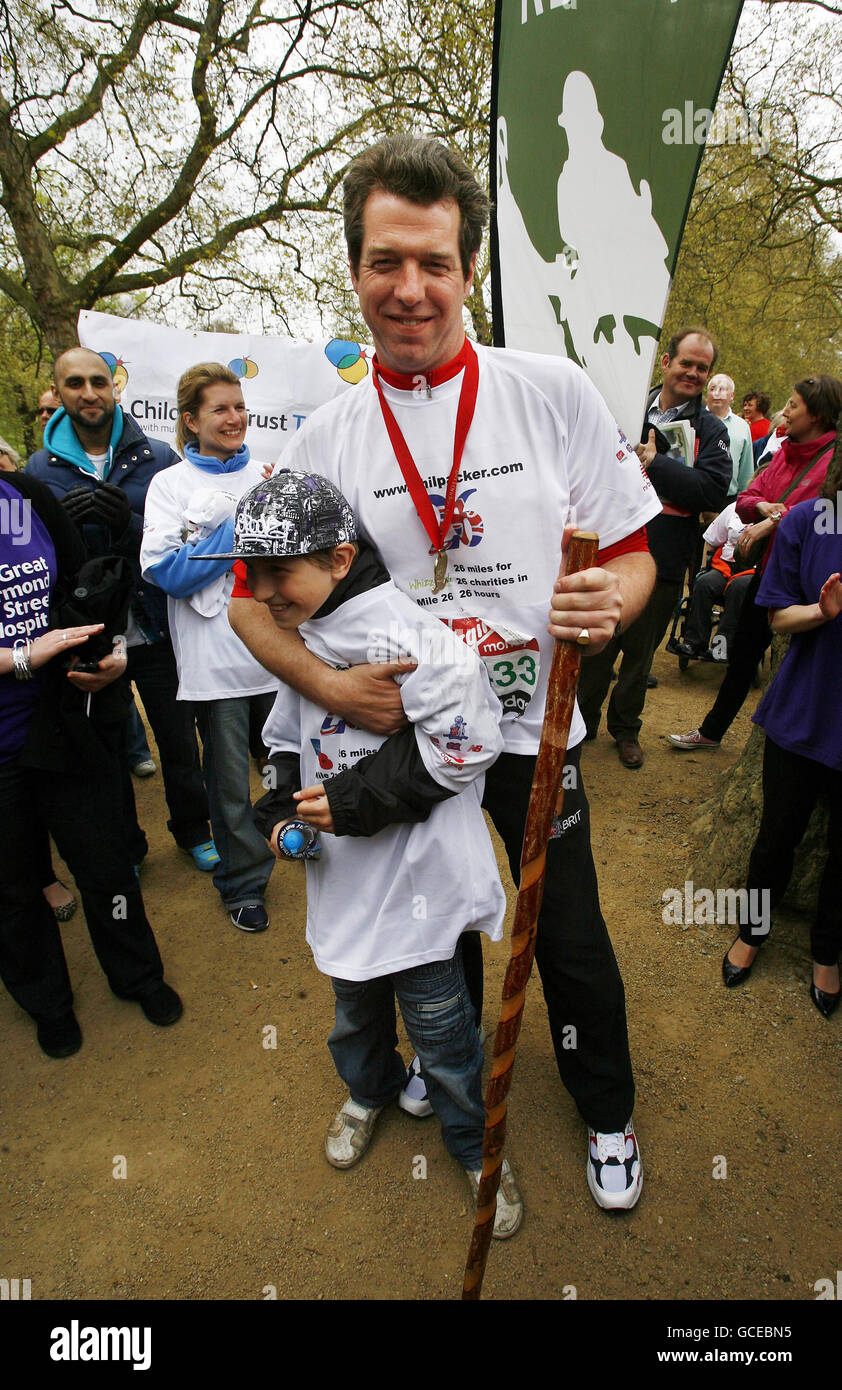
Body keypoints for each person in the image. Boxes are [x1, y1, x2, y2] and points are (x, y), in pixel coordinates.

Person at [230, 134, 660, 1211]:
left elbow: (633, 551)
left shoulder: (549, 389)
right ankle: (444, 1061)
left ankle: (606, 1111)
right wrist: (332, 690)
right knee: (436, 925)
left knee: (565, 933)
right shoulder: (325, 437)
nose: (410, 288)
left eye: (434, 262)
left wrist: (614, 599)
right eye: (386, 261)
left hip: (530, 732)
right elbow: (246, 601)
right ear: (355, 269)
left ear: (469, 269)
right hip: (403, 745)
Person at [212, 470, 522, 1235]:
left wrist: (353, 800)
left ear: (340, 559)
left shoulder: (414, 640)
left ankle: (474, 1145)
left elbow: (469, 741)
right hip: (344, 881)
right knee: (353, 1012)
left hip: (418, 886)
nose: (263, 592)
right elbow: (284, 746)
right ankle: (371, 1089)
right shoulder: (304, 646)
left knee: (442, 1033)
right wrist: (281, 810)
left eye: (279, 572)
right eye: (253, 573)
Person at [0, 471, 182, 1057]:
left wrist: (111, 654)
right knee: (12, 887)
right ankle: (47, 1002)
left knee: (105, 862)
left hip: (64, 720)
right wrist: (23, 658)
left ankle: (138, 975)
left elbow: (91, 587)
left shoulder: (24, 496)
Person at [26, 348, 216, 872]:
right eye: (75, 383)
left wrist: (128, 523)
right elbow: (35, 558)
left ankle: (193, 829)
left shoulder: (156, 457)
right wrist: (61, 531)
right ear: (59, 391)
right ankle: (126, 845)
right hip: (89, 632)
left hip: (156, 625)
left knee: (178, 740)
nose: (88, 393)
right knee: (105, 747)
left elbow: (188, 540)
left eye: (98, 381)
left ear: (114, 386)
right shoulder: (39, 469)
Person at [141, 363, 278, 932]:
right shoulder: (169, 485)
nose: (234, 417)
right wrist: (239, 524)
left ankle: (297, 838)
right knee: (228, 786)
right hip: (215, 665)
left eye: (239, 406)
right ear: (191, 420)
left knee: (292, 764)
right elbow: (169, 575)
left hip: (280, 656)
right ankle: (243, 882)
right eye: (220, 408)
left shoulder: (270, 474)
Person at [577, 326, 730, 768]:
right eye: (687, 363)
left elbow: (712, 491)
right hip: (608, 551)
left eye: (703, 368)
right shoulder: (622, 406)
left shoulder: (712, 430)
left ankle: (626, 731)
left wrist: (655, 463)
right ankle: (582, 725)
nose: (694, 373)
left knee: (639, 658)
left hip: (663, 562)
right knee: (596, 650)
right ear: (666, 362)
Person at [720, 479, 842, 1020]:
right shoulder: (810, 520)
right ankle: (753, 932)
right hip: (804, 710)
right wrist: (821, 612)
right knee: (777, 836)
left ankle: (827, 951)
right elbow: (777, 617)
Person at [669, 374, 842, 751]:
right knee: (744, 655)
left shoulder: (833, 463)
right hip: (768, 571)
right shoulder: (785, 453)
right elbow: (747, 497)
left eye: (793, 405)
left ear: (816, 414)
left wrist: (775, 520)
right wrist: (763, 507)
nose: (785, 412)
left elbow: (824, 514)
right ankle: (712, 732)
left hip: (811, 582)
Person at [673, 502, 754, 662]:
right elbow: (711, 538)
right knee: (704, 583)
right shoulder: (735, 507)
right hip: (726, 565)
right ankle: (693, 642)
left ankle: (721, 647)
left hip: (753, 568)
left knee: (737, 588)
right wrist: (704, 568)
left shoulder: (774, 512)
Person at [706, 374, 754, 501]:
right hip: (695, 498)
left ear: (732, 396)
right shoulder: (693, 421)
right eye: (712, 389)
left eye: (722, 389)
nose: (717, 394)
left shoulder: (742, 426)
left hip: (728, 500)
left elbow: (746, 471)